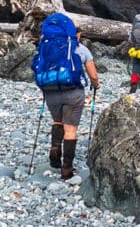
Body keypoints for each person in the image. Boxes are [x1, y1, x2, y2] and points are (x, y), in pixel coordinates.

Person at [32, 12, 100, 181]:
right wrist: (96, 85)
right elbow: (93, 75)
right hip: (73, 93)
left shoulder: (45, 45)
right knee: (70, 128)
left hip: (50, 91)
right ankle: (67, 169)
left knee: (57, 121)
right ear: (76, 32)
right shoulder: (80, 48)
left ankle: (55, 155)